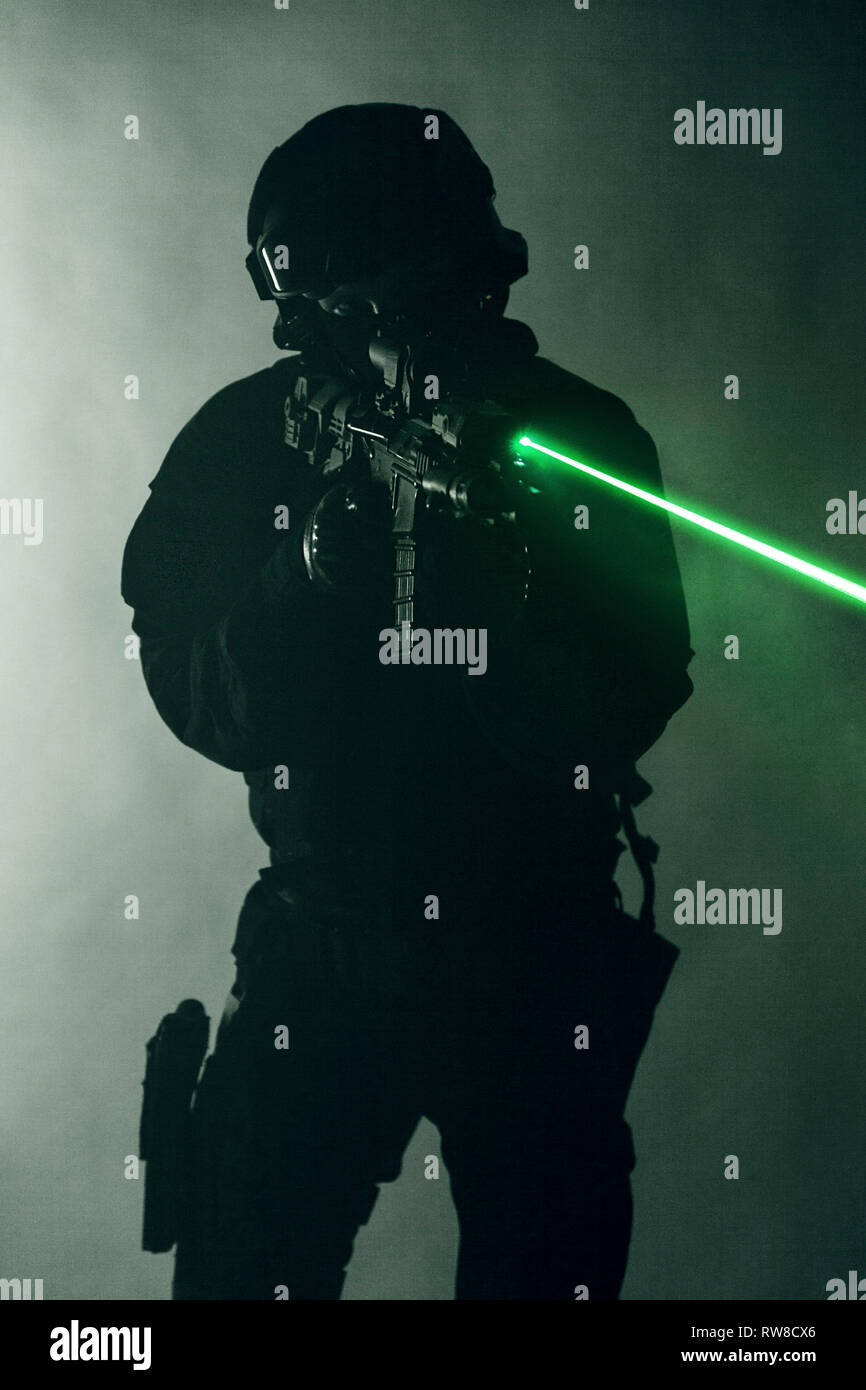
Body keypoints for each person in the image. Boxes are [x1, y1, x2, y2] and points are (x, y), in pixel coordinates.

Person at [121, 103, 694, 1301]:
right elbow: (194, 690)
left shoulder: (577, 442)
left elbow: (629, 698)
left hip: (530, 957)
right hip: (322, 949)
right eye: (369, 306)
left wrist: (499, 622)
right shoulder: (248, 443)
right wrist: (308, 578)